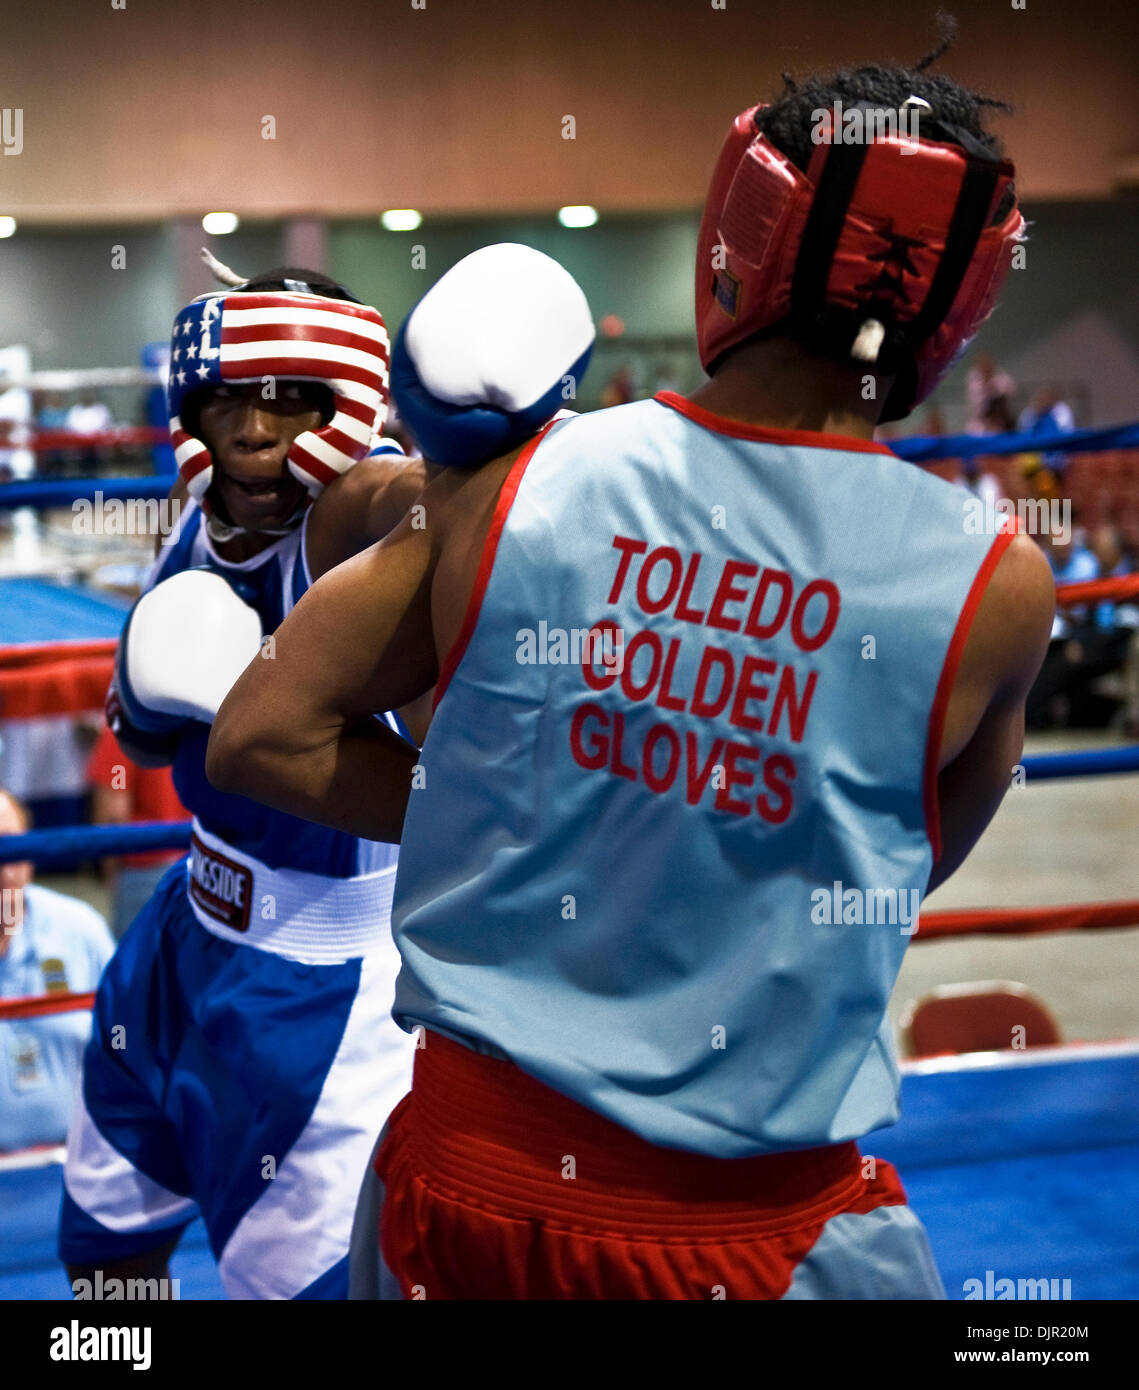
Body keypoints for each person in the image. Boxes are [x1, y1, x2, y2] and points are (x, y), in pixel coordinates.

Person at [209, 47, 1055, 1301]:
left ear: (739, 235)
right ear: (957, 299)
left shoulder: (518, 485)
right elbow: (907, 853)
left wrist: (510, 807)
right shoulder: (993, 586)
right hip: (764, 1233)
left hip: (466, 1200)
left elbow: (261, 735)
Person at [59, 261, 431, 1300]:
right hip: (181, 937)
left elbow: (415, 504)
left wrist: (530, 457)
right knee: (107, 1262)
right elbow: (140, 734)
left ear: (346, 405)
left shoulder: (363, 522)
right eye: (228, 395)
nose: (253, 430)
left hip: (324, 986)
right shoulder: (195, 518)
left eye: (289, 398)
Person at [0, 789, 115, 1154]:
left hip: (74, 1161)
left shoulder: (80, 929)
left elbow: (131, 1047)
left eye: (11, 847)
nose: (4, 865)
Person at [87, 721, 187, 940]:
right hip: (195, 864)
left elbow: (113, 812)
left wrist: (111, 873)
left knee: (134, 966)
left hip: (143, 871)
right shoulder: (193, 722)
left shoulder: (124, 732)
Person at [965, 351, 1015, 434]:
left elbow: (1008, 394)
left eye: (987, 364)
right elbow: (976, 403)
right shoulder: (973, 379)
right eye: (981, 365)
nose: (985, 368)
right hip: (980, 420)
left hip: (1000, 421)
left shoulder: (1002, 378)